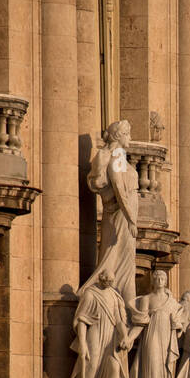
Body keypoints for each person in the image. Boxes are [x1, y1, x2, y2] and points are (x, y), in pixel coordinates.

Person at [82, 120, 139, 306]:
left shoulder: (119, 155)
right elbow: (118, 186)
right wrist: (130, 218)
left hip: (123, 214)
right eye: (127, 134)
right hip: (121, 216)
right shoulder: (117, 156)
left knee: (123, 259)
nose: (130, 138)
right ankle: (121, 300)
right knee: (120, 259)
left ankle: (120, 299)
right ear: (119, 136)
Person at [124, 269, 186, 378]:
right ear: (152, 281)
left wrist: (177, 326)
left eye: (163, 278)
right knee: (151, 373)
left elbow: (179, 328)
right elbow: (141, 322)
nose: (160, 280)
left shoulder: (173, 302)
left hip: (167, 339)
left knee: (164, 376)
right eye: (157, 278)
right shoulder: (147, 299)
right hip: (152, 338)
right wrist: (129, 338)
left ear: (166, 281)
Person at [71, 271, 134, 378]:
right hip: (95, 333)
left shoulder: (114, 295)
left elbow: (119, 320)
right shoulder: (90, 294)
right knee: (90, 367)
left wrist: (125, 336)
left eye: (112, 282)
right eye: (108, 281)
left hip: (111, 336)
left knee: (114, 368)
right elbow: (81, 320)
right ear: (102, 280)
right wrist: (82, 343)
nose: (110, 284)